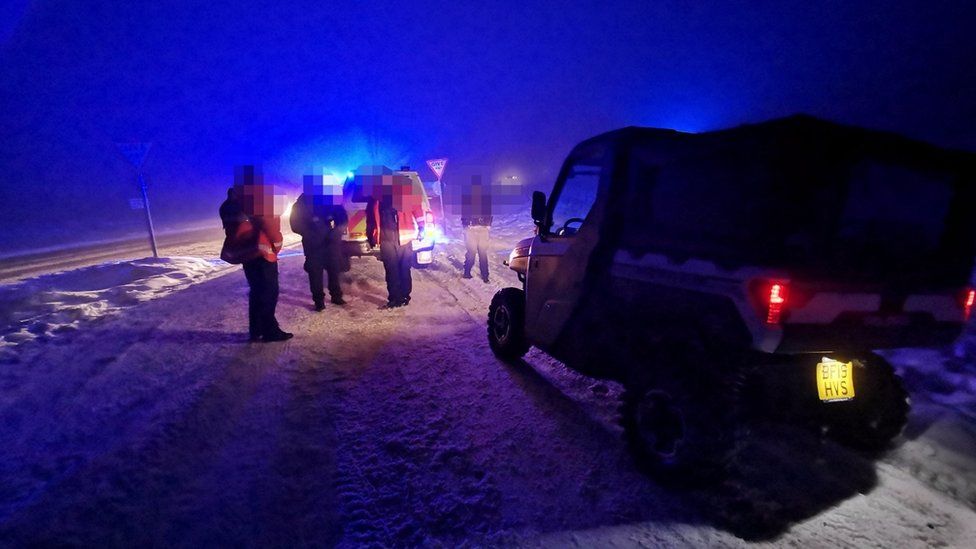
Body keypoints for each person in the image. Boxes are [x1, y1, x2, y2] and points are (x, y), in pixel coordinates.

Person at [220, 166, 292, 342]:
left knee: (256, 291)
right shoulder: (257, 200)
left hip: (246, 253)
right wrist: (277, 244)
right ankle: (270, 332)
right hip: (262, 253)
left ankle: (256, 329)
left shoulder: (229, 202)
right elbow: (269, 225)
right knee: (269, 292)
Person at [366, 174, 426, 308]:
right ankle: (394, 298)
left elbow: (417, 210)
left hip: (403, 239)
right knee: (392, 270)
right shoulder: (376, 198)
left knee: (403, 269)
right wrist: (371, 236)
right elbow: (370, 218)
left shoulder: (406, 195)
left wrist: (422, 227)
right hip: (387, 240)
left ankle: (404, 295)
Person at [290, 175, 348, 311]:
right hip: (313, 246)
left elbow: (342, 216)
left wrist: (337, 231)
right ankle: (319, 301)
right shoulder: (301, 204)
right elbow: (295, 224)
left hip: (330, 243)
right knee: (315, 273)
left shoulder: (328, 199)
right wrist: (310, 234)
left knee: (334, 270)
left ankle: (336, 296)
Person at [461, 177, 493, 282]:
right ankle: (467, 272)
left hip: (482, 230)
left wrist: (488, 225)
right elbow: (464, 215)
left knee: (482, 253)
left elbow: (489, 213)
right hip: (471, 230)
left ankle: (485, 275)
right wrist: (466, 225)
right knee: (472, 252)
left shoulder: (485, 199)